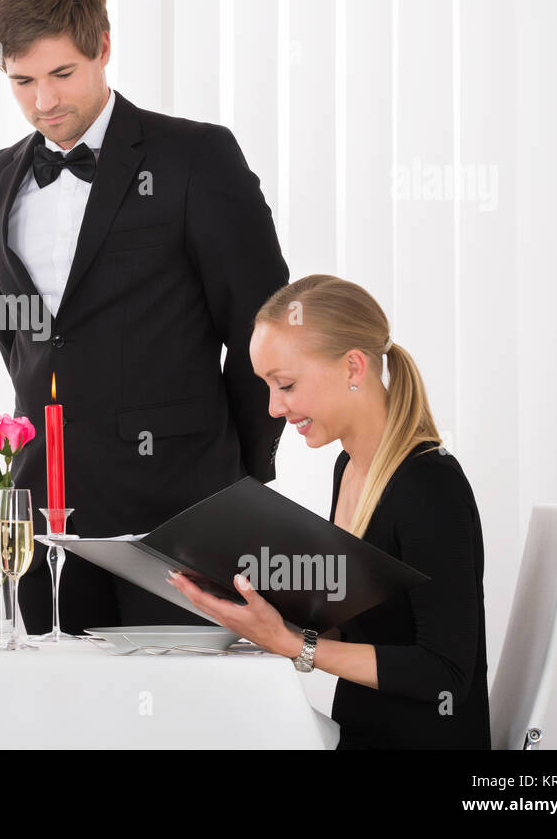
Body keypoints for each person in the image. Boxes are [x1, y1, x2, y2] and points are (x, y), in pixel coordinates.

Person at [0, 0, 289, 634]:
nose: (42, 102)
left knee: (186, 727)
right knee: (53, 723)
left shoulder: (196, 157)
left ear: (103, 48)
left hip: (183, 517)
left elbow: (265, 329)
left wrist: (236, 482)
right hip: (44, 520)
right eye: (22, 82)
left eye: (61, 74)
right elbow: (21, 339)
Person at [169, 274, 490, 748]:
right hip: (358, 732)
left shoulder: (429, 485)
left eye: (285, 384)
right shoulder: (349, 466)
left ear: (353, 368)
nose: (274, 408)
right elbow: (363, 621)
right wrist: (253, 602)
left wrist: (293, 645)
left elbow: (445, 674)